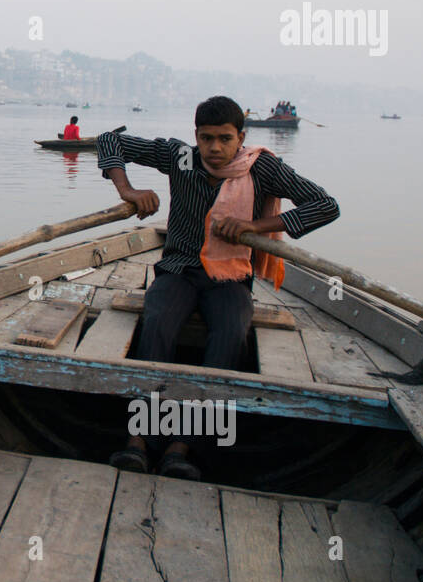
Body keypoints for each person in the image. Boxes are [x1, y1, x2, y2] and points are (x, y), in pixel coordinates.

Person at [96, 95, 339, 480]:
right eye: (206, 138)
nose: (214, 149)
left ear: (240, 137)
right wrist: (128, 191)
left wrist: (253, 228)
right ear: (195, 137)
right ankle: (140, 441)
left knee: (229, 335)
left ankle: (182, 447)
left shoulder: (261, 168)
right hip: (178, 269)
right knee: (156, 324)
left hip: (230, 276)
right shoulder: (182, 158)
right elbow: (110, 141)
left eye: (225, 139)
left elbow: (325, 205)